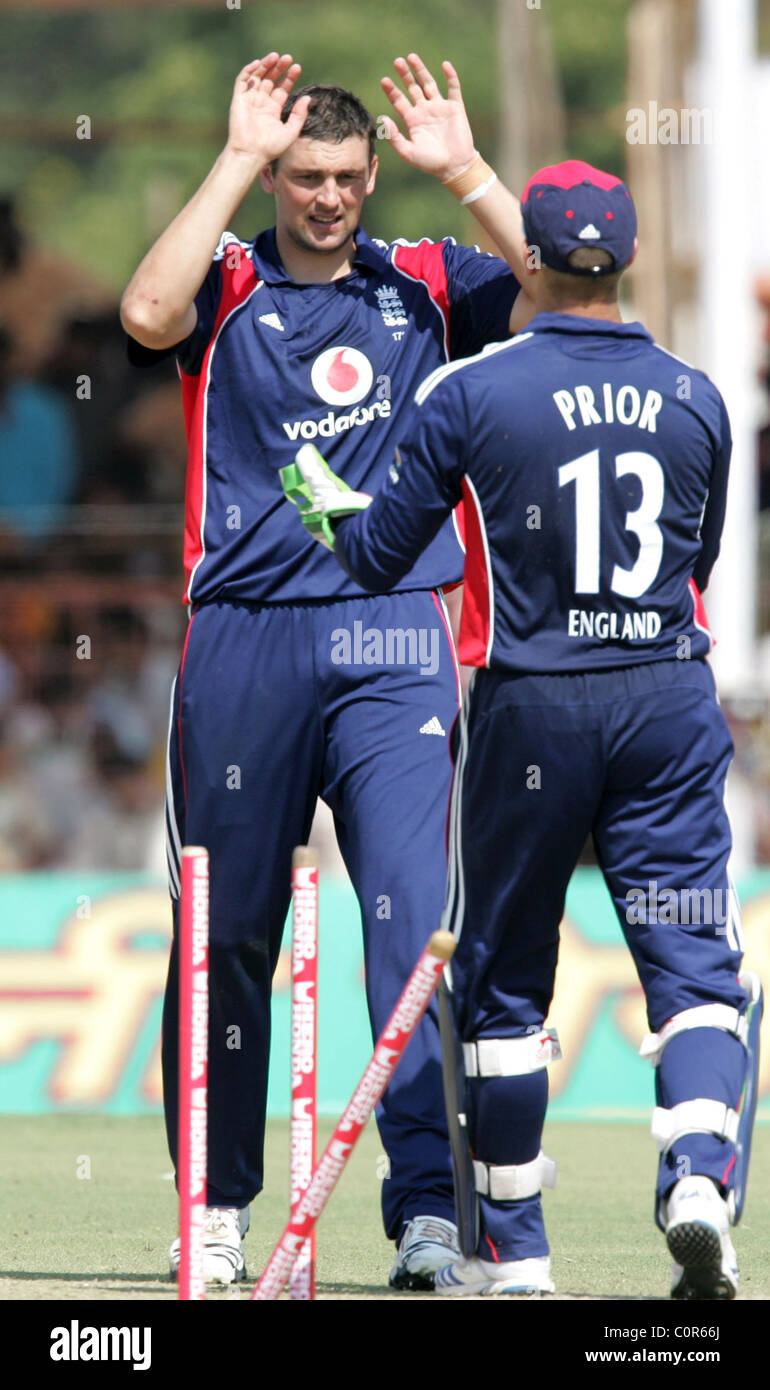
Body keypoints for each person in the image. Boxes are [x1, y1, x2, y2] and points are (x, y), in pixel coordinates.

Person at [285, 159, 762, 1300]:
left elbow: (376, 555)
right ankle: (697, 1177)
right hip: (665, 700)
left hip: (527, 705)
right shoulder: (697, 394)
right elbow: (692, 564)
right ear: (629, 258)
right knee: (694, 961)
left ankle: (518, 1257)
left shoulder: (471, 389)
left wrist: (311, 488)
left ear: (528, 262)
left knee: (499, 985)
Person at [120, 51, 538, 1287]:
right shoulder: (230, 276)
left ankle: (423, 1215)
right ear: (278, 173)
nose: (328, 198)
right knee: (227, 929)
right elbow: (143, 316)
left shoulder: (420, 281)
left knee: (412, 926)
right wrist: (235, 155)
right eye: (305, 175)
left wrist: (461, 171)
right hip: (244, 635)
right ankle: (218, 1204)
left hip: (394, 635)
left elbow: (560, 284)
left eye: (346, 177)